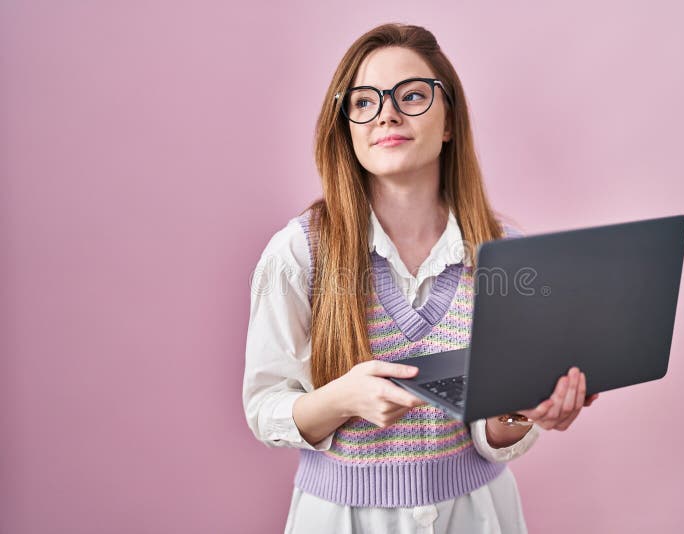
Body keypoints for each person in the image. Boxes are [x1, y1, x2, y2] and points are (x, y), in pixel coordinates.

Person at [243, 23, 599, 534]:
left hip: (478, 514)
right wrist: (344, 399)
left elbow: (496, 429)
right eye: (364, 101)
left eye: (412, 95)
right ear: (345, 126)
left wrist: (523, 412)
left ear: (449, 121)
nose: (387, 112)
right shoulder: (299, 252)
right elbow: (264, 407)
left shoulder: (506, 255)